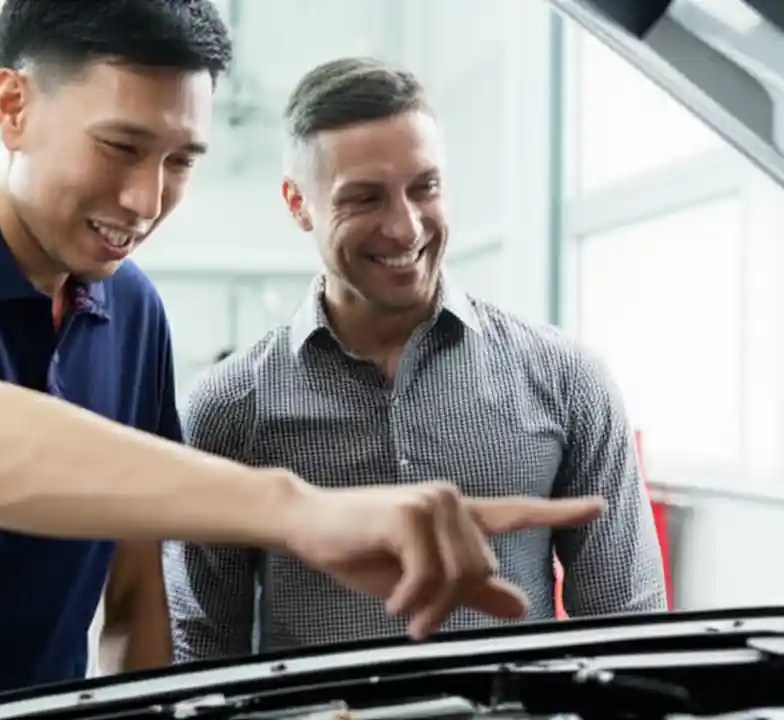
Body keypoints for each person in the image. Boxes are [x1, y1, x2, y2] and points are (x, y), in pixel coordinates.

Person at [0, 6, 608, 717]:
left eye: (180, 161)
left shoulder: (131, 305)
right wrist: (294, 510)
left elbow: (133, 591)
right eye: (119, 148)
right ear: (12, 105)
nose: (146, 201)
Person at [163, 57, 669, 664]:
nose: (404, 228)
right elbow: (199, 653)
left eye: (424, 187)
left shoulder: (565, 381)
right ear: (299, 204)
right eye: (365, 198)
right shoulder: (227, 409)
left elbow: (628, 634)